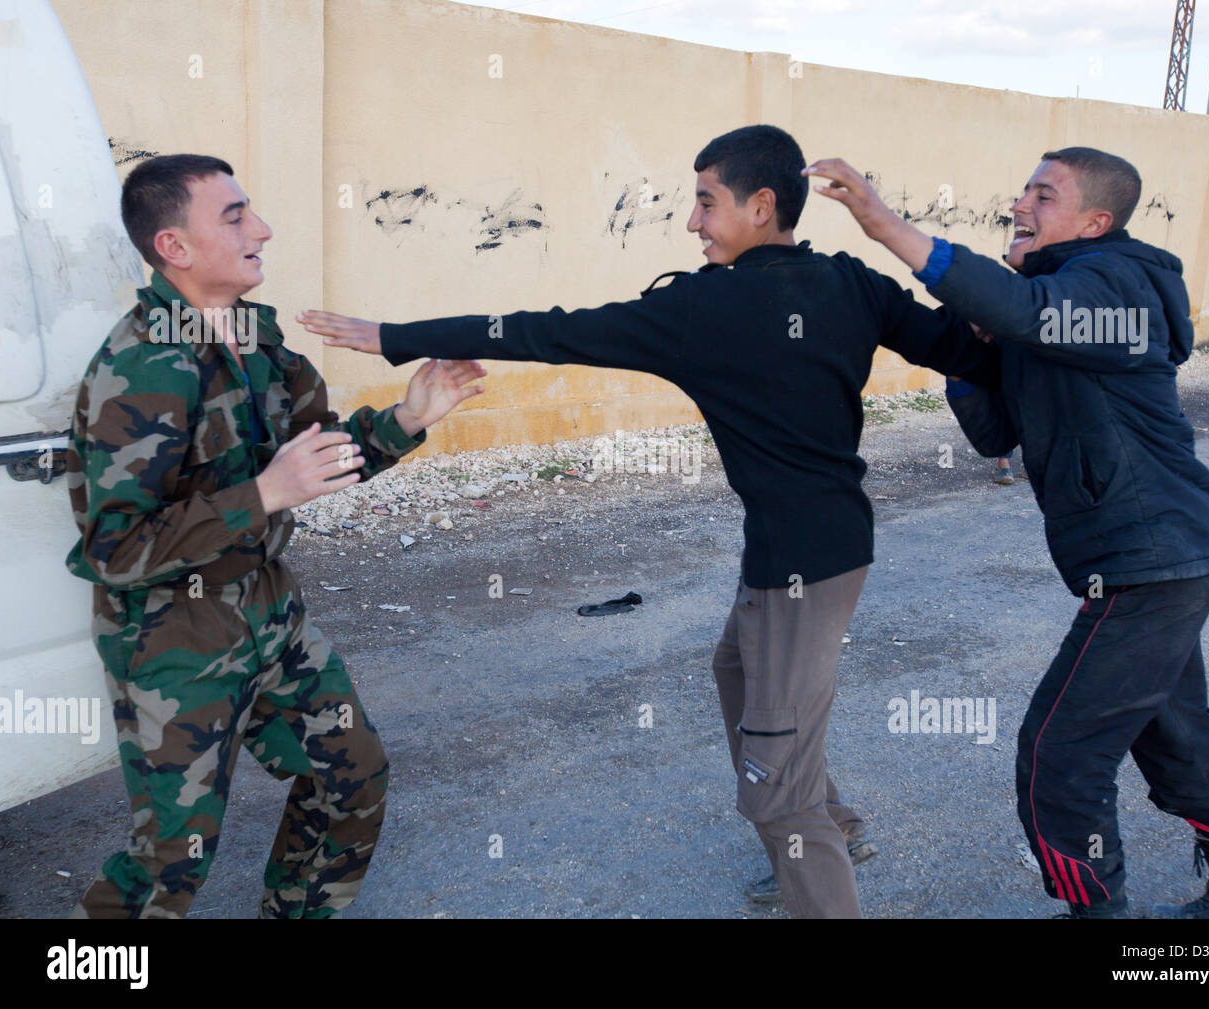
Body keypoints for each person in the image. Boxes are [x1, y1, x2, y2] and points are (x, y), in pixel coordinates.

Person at [300, 125, 996, 918]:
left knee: (777, 795)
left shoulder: (700, 309)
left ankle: (811, 834)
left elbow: (544, 328)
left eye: (705, 203)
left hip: (805, 564)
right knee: (737, 672)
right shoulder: (853, 283)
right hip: (820, 544)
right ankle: (831, 820)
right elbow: (968, 349)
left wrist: (396, 340)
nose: (692, 223)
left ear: (761, 206)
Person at [804, 148, 1209, 919]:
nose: (1021, 202)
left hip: (1154, 558)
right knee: (1174, 729)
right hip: (1147, 560)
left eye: (1044, 194)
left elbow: (1030, 312)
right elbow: (998, 435)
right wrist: (969, 352)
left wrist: (883, 223)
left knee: (1057, 757)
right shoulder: (1042, 307)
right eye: (1024, 188)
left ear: (1095, 221)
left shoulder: (1118, 284)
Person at [65, 154, 486, 918]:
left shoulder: (257, 344)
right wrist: (261, 494)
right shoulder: (139, 367)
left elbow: (317, 453)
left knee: (353, 776)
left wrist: (405, 419)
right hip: (173, 641)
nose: (262, 229)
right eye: (234, 217)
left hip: (267, 609)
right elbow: (113, 548)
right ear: (175, 248)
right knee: (169, 865)